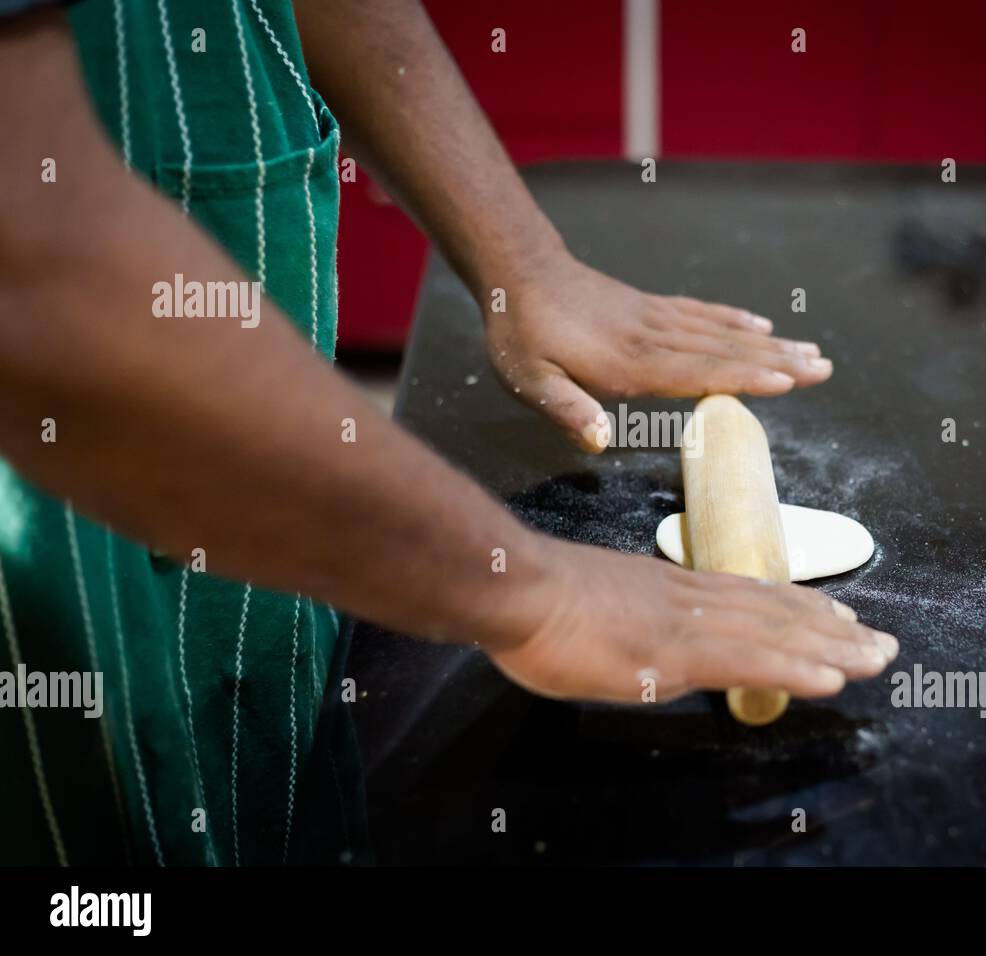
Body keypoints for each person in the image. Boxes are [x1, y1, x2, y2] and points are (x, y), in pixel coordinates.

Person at [0, 0, 898, 866]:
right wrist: (531, 592)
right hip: (56, 511)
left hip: (255, 423)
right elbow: (33, 273)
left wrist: (527, 264)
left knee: (264, 761)